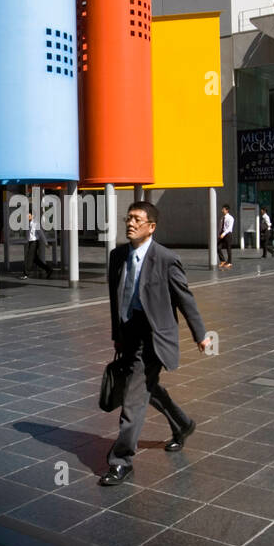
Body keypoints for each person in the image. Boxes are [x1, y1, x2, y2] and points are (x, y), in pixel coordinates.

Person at [99, 201, 211, 486]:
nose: (131, 223)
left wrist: (200, 335)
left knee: (133, 399)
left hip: (154, 338)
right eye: (129, 218)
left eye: (137, 219)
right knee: (146, 387)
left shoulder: (165, 259)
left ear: (151, 227)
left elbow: (185, 298)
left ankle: (121, 460)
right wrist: (117, 333)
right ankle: (183, 424)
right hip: (129, 334)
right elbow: (116, 300)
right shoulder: (117, 256)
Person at [22, 209, 54, 279]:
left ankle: (26, 274)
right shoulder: (27, 223)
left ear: (32, 215)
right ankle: (48, 269)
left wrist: (46, 243)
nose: (27, 216)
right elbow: (28, 234)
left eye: (28, 214)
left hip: (35, 242)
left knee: (29, 258)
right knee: (35, 260)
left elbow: (41, 234)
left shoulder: (36, 224)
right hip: (30, 242)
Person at [217, 204, 234, 269]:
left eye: (223, 209)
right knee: (218, 247)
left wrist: (223, 234)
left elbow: (229, 228)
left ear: (227, 210)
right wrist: (219, 234)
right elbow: (220, 227)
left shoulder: (230, 218)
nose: (222, 210)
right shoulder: (222, 218)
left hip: (227, 234)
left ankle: (229, 262)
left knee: (228, 248)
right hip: (222, 234)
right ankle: (223, 260)